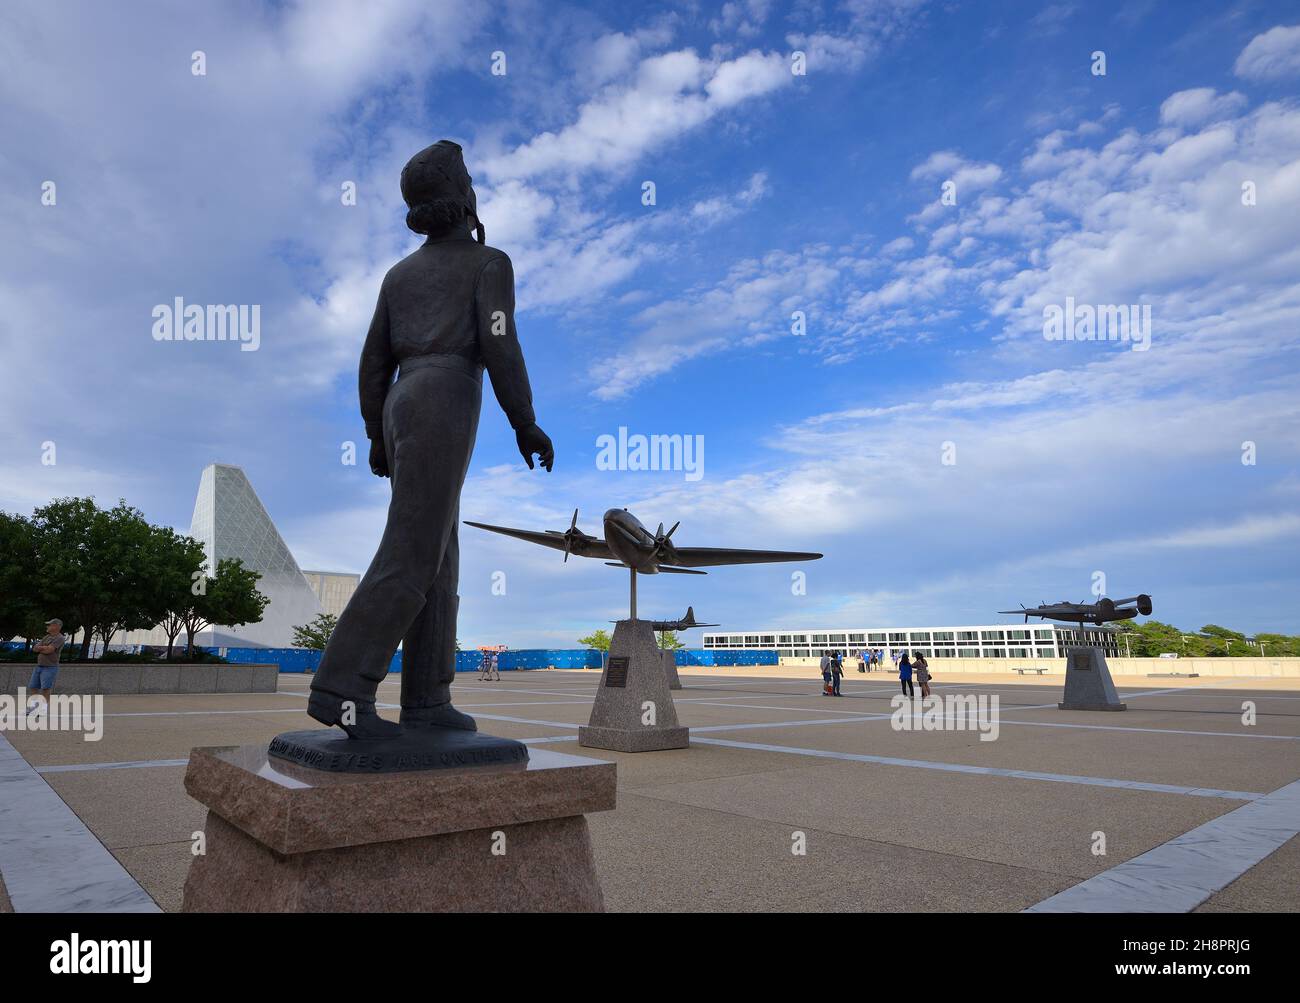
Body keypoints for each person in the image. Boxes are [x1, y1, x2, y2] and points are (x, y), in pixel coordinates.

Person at [308, 140, 554, 739]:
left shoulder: (399, 275)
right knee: (415, 548)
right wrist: (524, 418)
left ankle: (427, 697)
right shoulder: (488, 263)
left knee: (440, 554)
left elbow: (372, 362)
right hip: (445, 393)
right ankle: (342, 688)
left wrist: (375, 432)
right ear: (465, 199)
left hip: (402, 399)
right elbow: (500, 342)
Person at [27, 618, 66, 714]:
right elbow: (35, 648)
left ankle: (43, 709)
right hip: (39, 666)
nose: (47, 626)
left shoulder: (60, 638)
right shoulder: (46, 637)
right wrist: (43, 648)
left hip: (50, 667)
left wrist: (42, 648)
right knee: (33, 686)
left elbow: (50, 650)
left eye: (49, 625)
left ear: (56, 626)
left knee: (45, 688)